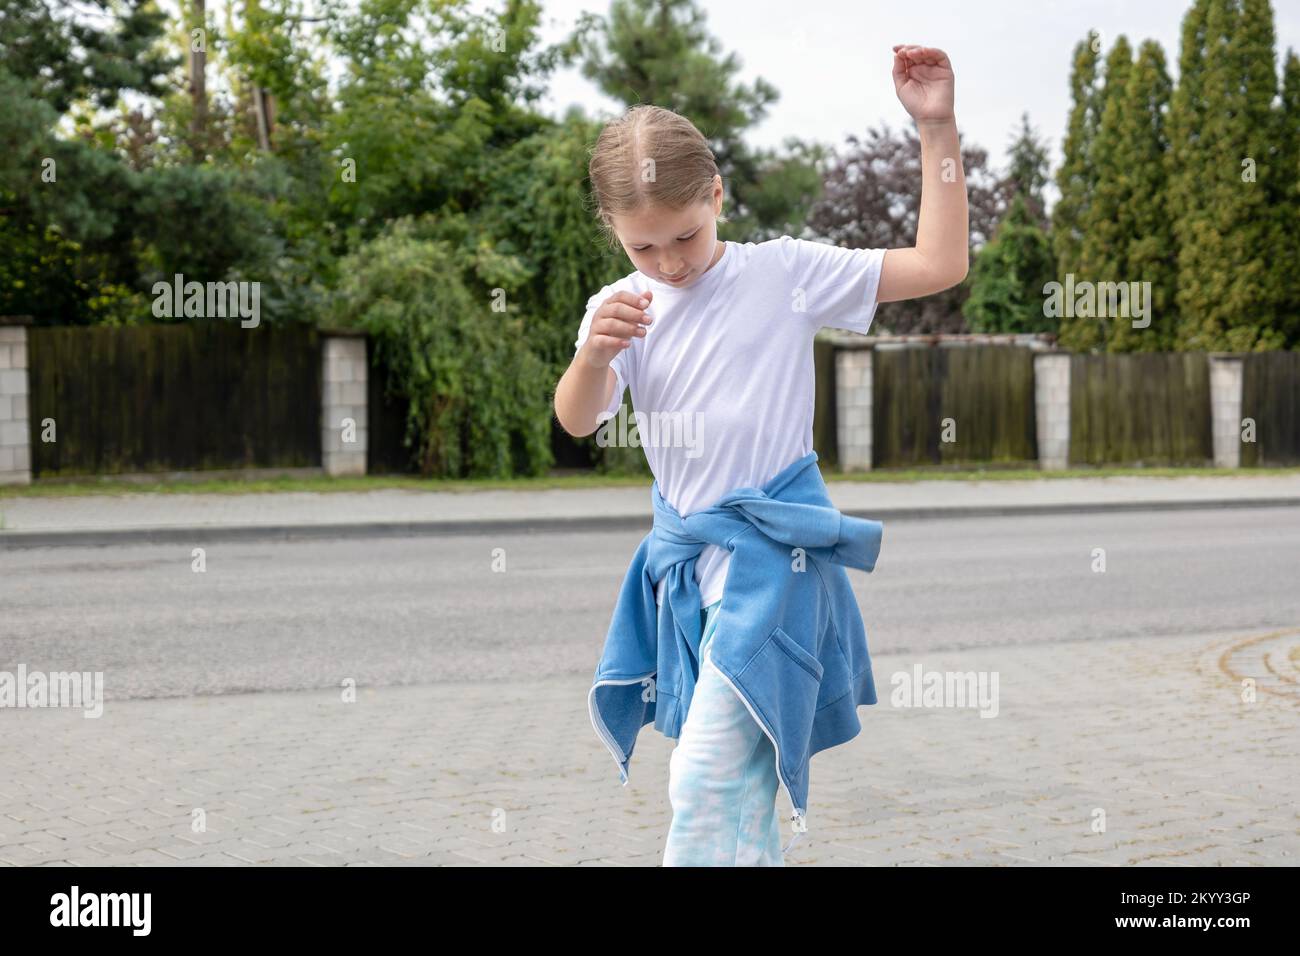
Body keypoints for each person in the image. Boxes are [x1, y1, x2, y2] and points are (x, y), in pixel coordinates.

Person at [554, 45, 969, 866]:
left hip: (778, 564)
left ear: (717, 195)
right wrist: (592, 358)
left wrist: (938, 129)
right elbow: (579, 422)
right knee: (735, 793)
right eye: (644, 247)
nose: (669, 262)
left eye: (685, 234)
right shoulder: (620, 308)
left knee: (705, 775)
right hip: (686, 570)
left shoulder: (785, 273)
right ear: (612, 230)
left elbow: (940, 264)